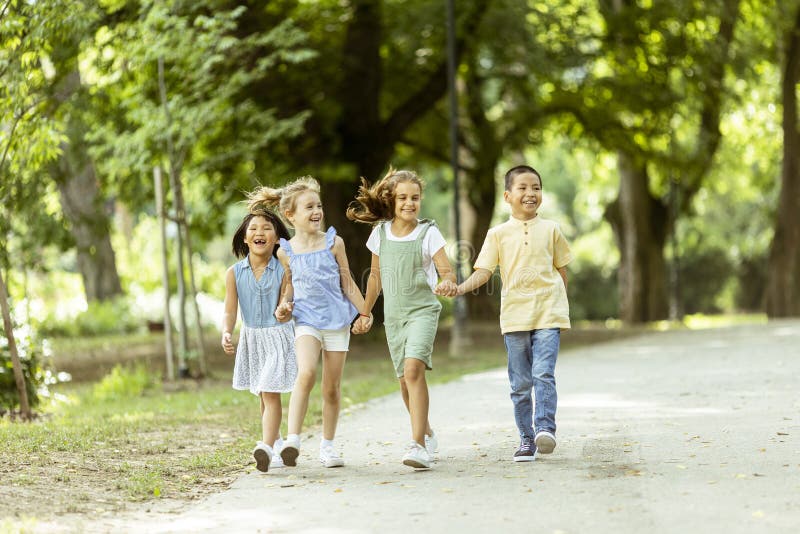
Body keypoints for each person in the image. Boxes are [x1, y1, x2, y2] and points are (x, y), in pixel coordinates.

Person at [450, 164, 572, 462]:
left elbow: (562, 270)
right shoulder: (497, 234)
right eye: (523, 188)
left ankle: (545, 429)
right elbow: (483, 272)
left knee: (543, 372)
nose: (531, 193)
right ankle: (526, 439)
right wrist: (460, 288)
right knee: (520, 384)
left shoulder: (552, 229)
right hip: (515, 316)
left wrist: (559, 303)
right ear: (507, 196)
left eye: (536, 188)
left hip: (548, 313)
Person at [248, 176, 368, 468]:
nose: (317, 211)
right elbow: (289, 287)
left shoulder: (333, 242)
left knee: (331, 387)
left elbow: (347, 281)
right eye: (309, 207)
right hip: (306, 322)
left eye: (319, 205)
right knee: (305, 373)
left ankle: (327, 446)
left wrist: (364, 312)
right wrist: (283, 307)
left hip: (337, 321)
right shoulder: (285, 251)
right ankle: (293, 440)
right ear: (291, 215)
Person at [347, 168, 457, 469]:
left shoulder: (428, 232)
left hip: (423, 312)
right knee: (404, 383)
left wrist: (447, 282)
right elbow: (375, 278)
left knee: (413, 371)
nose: (410, 203)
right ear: (391, 201)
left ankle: (418, 444)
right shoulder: (380, 233)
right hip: (394, 319)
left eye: (415, 198)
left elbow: (447, 271)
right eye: (403, 198)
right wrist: (365, 311)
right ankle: (427, 432)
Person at [222, 206, 296, 473]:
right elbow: (230, 309)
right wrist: (227, 332)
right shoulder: (234, 273)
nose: (259, 232)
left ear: (277, 238)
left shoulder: (283, 269)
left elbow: (286, 300)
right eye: (253, 228)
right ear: (244, 237)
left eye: (266, 228)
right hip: (252, 337)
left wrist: (284, 308)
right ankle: (275, 443)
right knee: (263, 395)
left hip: (277, 336)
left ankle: (264, 447)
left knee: (269, 390)